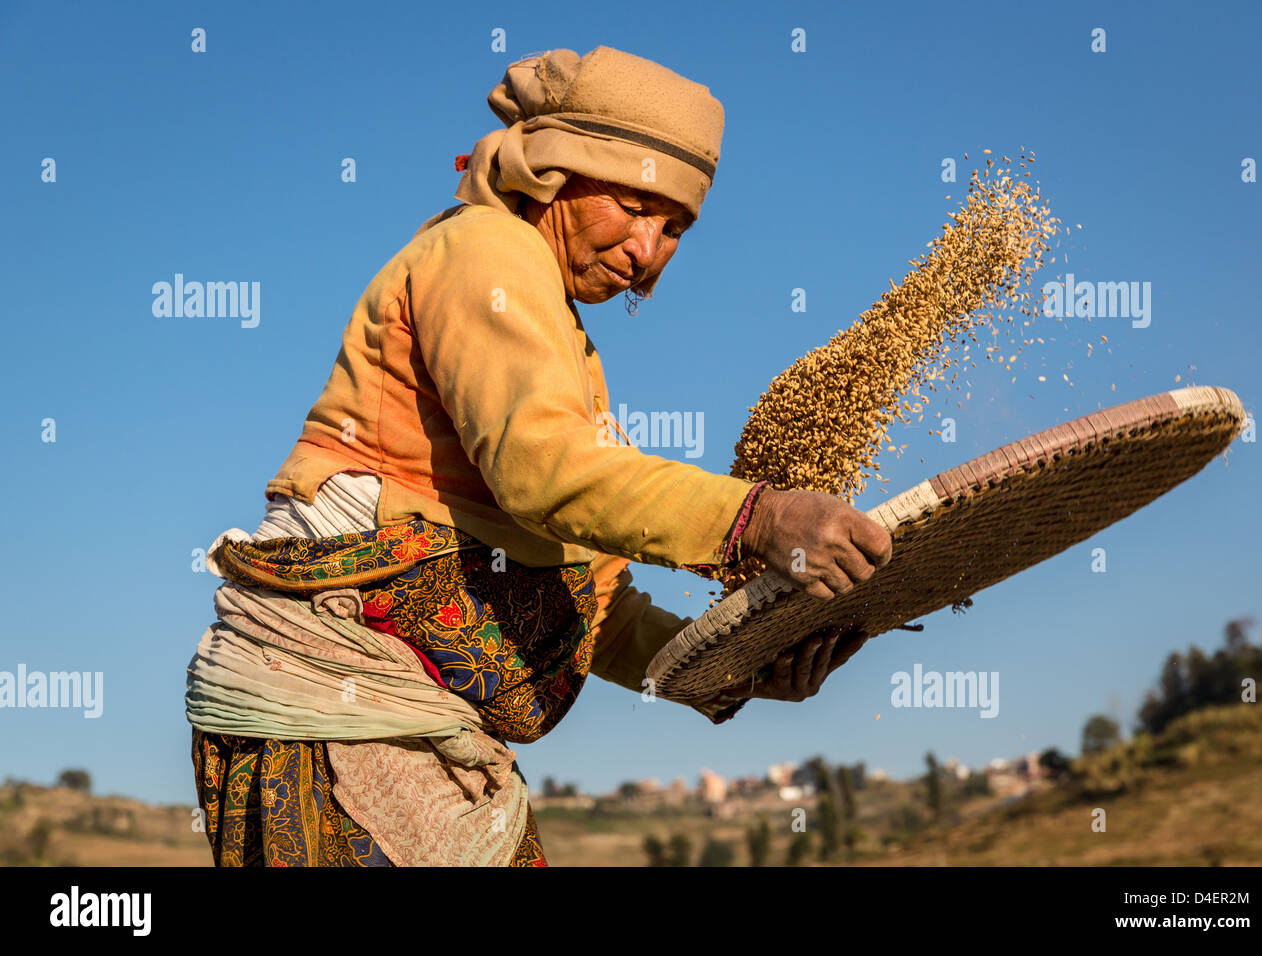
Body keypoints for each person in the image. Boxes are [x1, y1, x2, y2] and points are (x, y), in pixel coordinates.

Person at [185, 45, 892, 867]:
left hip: (430, 739)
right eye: (634, 205)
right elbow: (545, 471)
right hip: (335, 713)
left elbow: (594, 597)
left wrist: (723, 667)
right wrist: (760, 516)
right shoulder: (486, 253)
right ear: (558, 171)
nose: (650, 250)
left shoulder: (561, 339)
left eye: (675, 228)